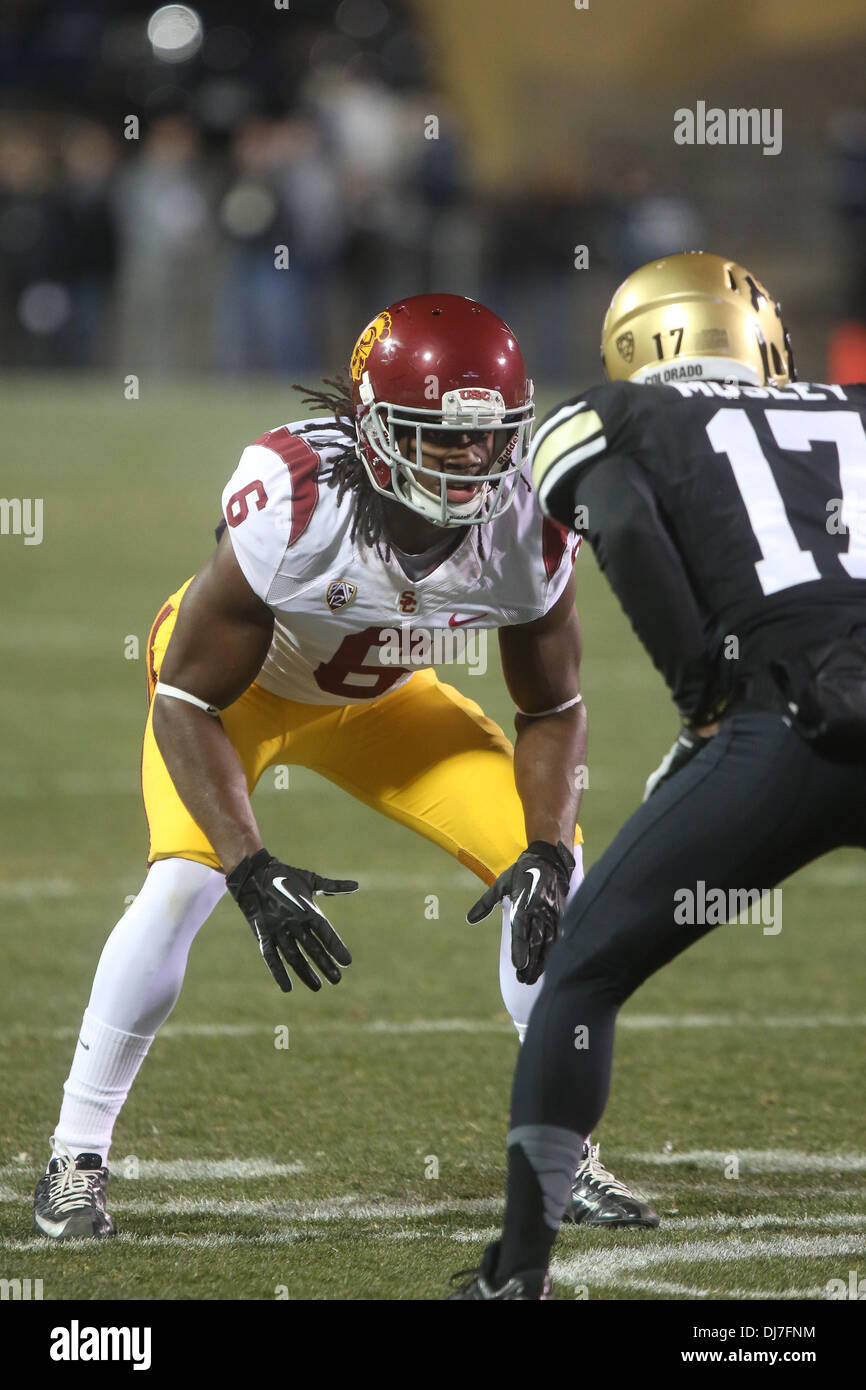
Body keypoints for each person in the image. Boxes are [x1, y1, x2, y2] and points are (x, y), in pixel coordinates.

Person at [33, 293, 654, 1240]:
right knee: (178, 891)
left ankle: (562, 1157)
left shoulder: (530, 525)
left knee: (557, 889)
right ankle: (74, 1156)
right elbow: (186, 699)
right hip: (236, 697)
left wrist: (544, 848)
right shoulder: (294, 497)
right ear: (373, 431)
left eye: (492, 439)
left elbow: (553, 707)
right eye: (442, 438)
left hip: (386, 702)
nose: (474, 462)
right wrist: (246, 865)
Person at [449, 252, 866, 1298]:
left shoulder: (604, 416)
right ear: (756, 338)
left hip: (786, 727)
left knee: (577, 979)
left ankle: (519, 1273)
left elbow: (626, 523)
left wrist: (702, 696)